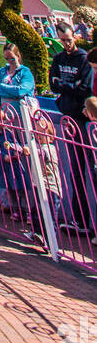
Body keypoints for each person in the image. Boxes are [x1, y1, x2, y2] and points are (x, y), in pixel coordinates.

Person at [49, 24, 94, 235]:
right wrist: (68, 87)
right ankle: (80, 220)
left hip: (83, 119)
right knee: (75, 170)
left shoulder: (84, 59)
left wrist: (65, 86)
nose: (67, 44)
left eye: (69, 39)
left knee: (92, 170)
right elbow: (53, 83)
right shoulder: (58, 60)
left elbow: (83, 88)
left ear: (74, 36)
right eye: (63, 40)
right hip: (68, 118)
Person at [0, 43, 36, 108]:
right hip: (4, 113)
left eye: (12, 58)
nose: (9, 61)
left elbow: (20, 91)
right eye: (7, 58)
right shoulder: (1, 72)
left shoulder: (25, 72)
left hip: (23, 113)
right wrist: (15, 95)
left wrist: (2, 86)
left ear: (17, 56)